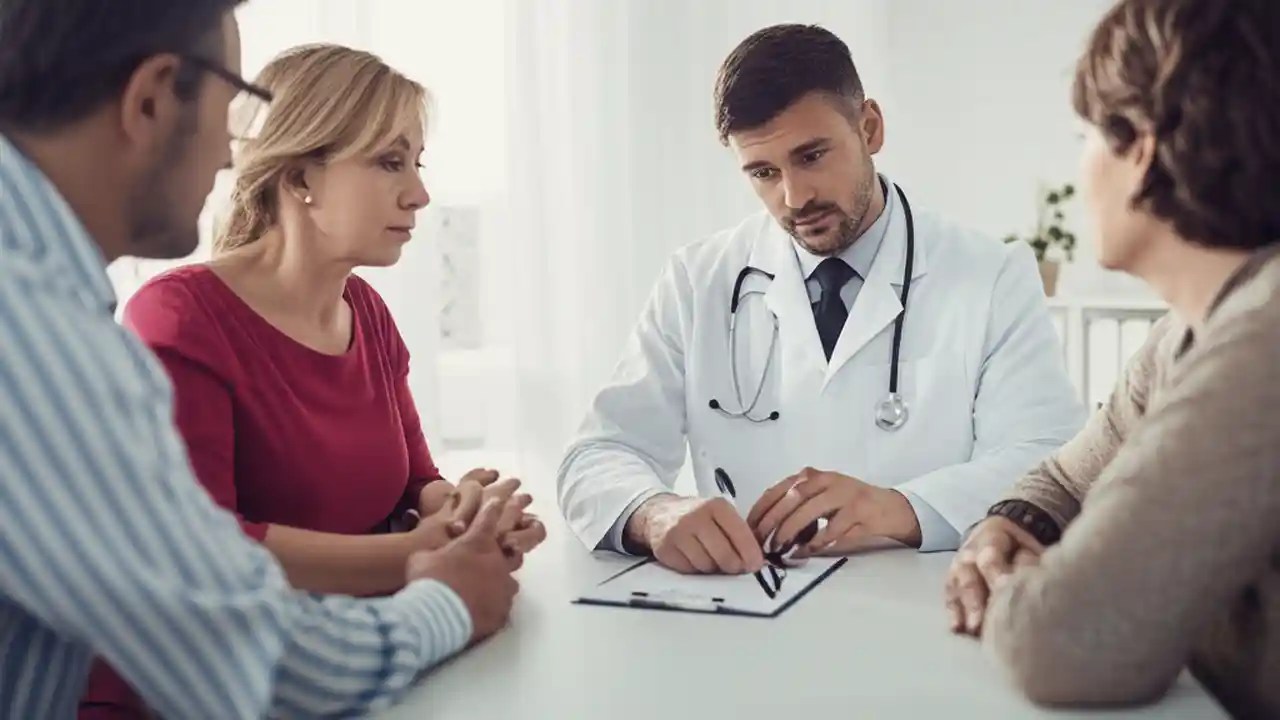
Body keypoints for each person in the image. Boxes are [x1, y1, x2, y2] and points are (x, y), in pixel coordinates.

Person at [0, 2, 521, 718]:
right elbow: (237, 650)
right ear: (151, 98)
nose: (230, 151)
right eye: (230, 101)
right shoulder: (38, 333)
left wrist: (458, 523)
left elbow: (412, 481)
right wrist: (446, 596)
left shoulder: (42, 300)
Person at [556, 23, 1086, 574]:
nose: (794, 197)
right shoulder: (698, 281)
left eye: (811, 156)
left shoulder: (991, 275)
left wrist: (896, 507)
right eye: (763, 172)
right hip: (750, 610)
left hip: (917, 611)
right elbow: (597, 456)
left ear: (871, 128)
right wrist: (654, 513)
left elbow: (1045, 462)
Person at [942, 0, 1280, 716]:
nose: (1079, 164)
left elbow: (1065, 642)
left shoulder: (1265, 338)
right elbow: (1065, 479)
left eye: (1083, 136)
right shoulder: (1185, 333)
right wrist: (1003, 530)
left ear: (1142, 149)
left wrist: (1028, 590)